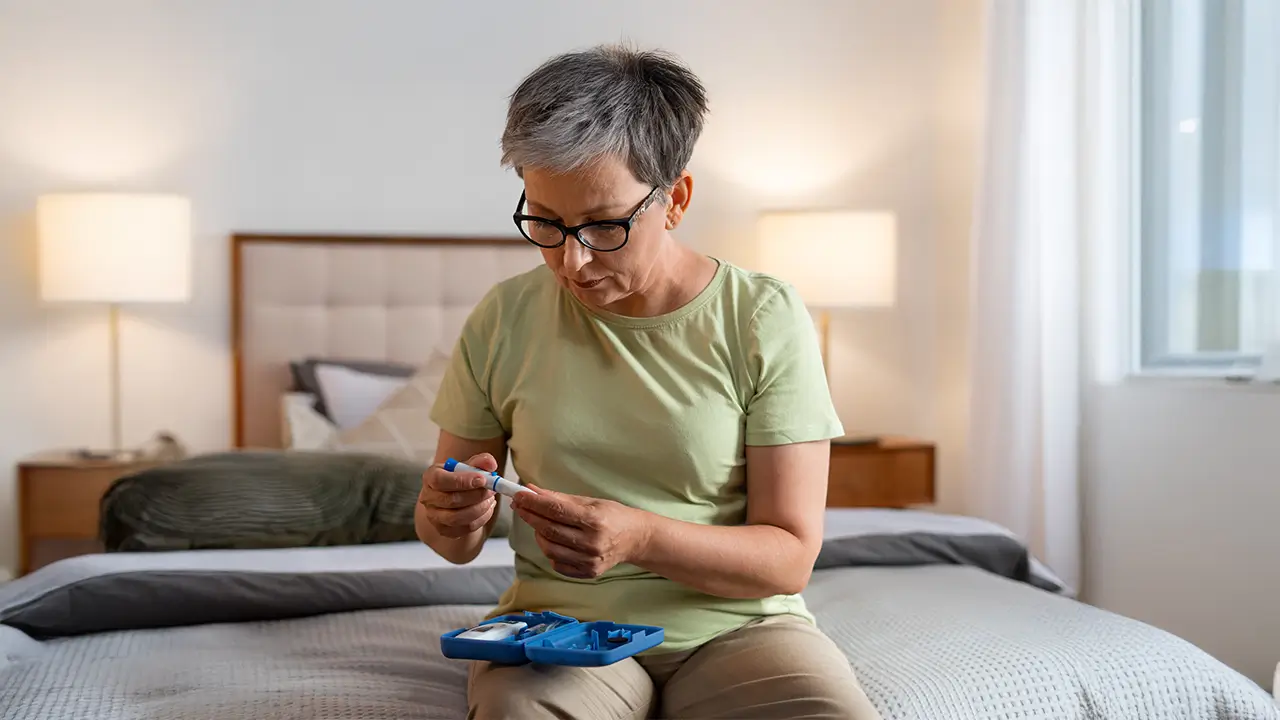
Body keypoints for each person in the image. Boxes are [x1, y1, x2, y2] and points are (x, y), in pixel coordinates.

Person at [416, 44, 882, 720]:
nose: (571, 261)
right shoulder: (504, 317)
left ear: (676, 199)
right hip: (558, 634)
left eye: (603, 225)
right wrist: (446, 518)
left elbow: (788, 557)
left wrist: (641, 536)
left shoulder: (761, 316)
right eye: (544, 221)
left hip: (738, 629)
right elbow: (452, 538)